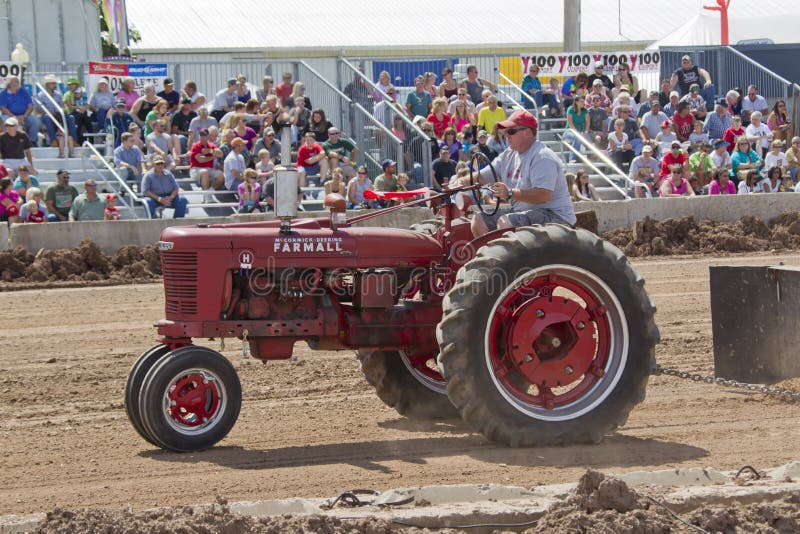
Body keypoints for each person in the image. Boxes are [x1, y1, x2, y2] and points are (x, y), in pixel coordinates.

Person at [466, 110, 575, 237]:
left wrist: (510, 193)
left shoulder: (542, 157)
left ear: (527, 132)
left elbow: (543, 195)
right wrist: (460, 182)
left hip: (555, 215)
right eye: (506, 132)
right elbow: (483, 176)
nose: (507, 135)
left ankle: (506, 257)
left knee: (505, 223)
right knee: (478, 220)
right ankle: (492, 256)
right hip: (524, 211)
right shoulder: (509, 154)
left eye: (511, 131)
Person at [0, 75, 40, 145]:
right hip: (9, 115)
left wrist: (24, 116)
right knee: (5, 120)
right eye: (16, 82)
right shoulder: (4, 94)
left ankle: (31, 141)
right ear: (10, 84)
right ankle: (9, 142)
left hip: (24, 115)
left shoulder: (23, 92)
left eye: (18, 82)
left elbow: (30, 106)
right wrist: (14, 117)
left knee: (35, 120)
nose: (18, 83)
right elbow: (3, 109)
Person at [563, 95, 588, 162]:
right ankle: (572, 158)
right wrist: (577, 133)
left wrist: (585, 132)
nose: (583, 103)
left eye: (584, 101)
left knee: (589, 140)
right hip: (569, 132)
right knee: (577, 138)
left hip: (581, 132)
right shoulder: (570, 109)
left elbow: (588, 123)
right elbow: (570, 124)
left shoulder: (585, 111)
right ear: (576, 102)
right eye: (581, 101)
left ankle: (591, 159)